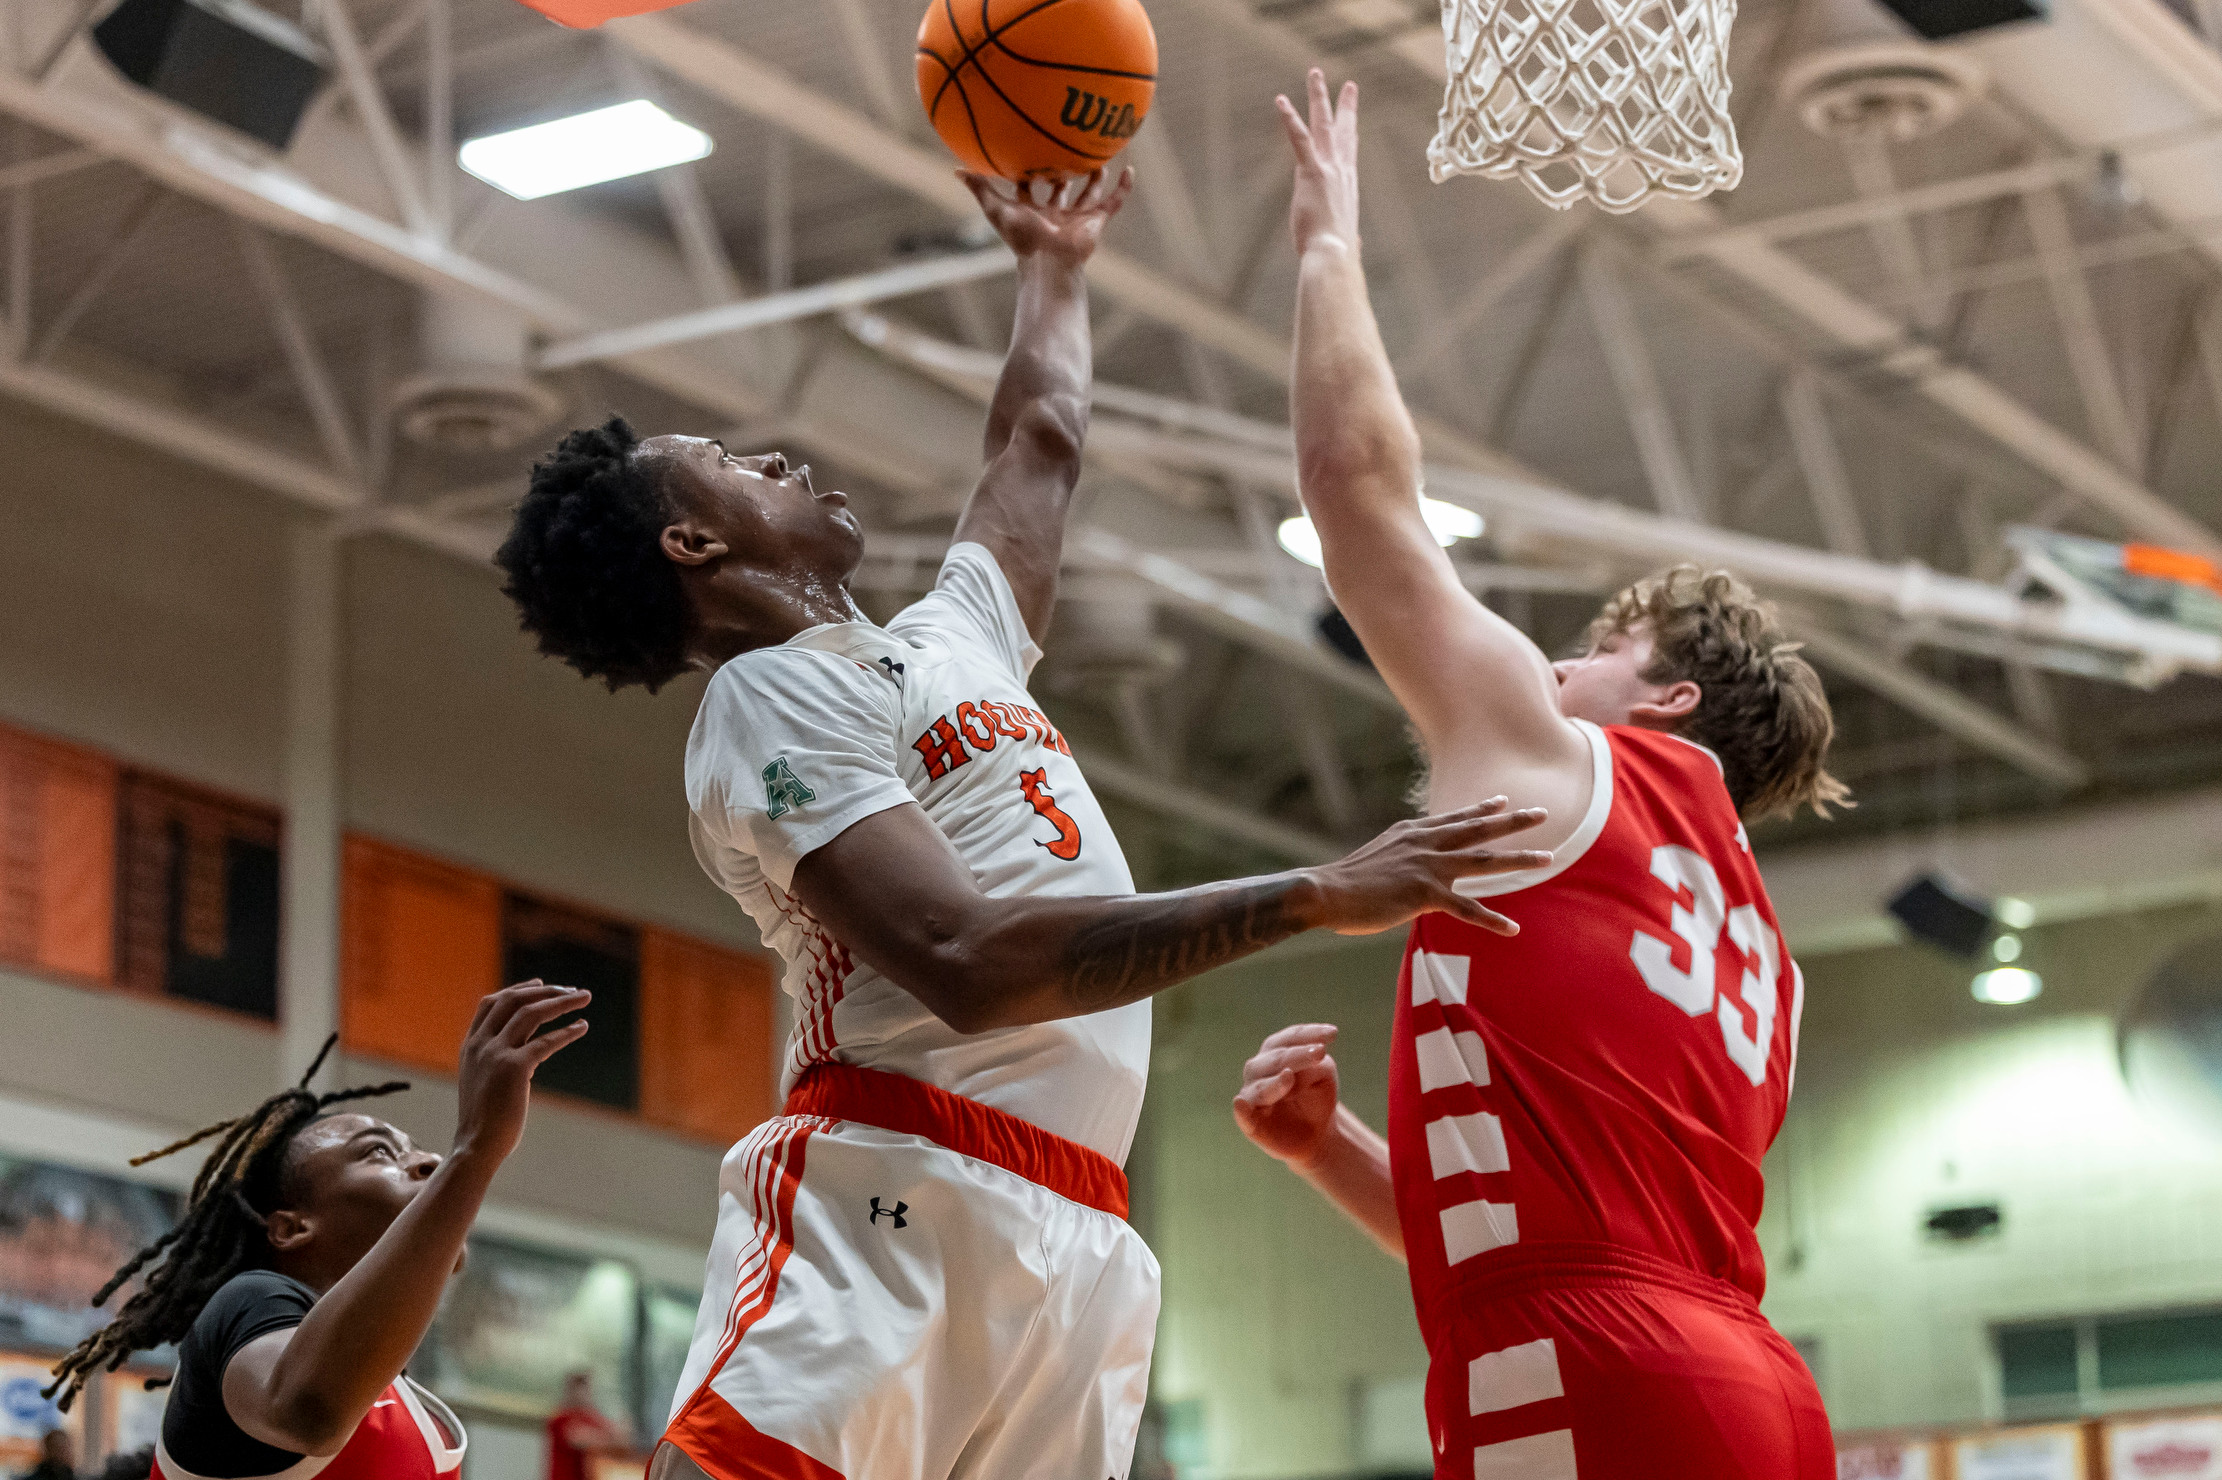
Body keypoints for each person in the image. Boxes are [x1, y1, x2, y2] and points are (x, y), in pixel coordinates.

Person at [495, 166, 1553, 1480]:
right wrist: (1309, 893)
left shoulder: (954, 638)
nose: (777, 460)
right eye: (729, 466)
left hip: (1084, 1220)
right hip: (901, 1169)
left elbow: (1037, 443)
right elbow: (965, 958)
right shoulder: (769, 695)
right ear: (692, 547)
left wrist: (1053, 267)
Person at [1230, 71, 1849, 1480]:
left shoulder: (1551, 763)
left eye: (1595, 650)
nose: (1555, 669)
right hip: (1748, 1378)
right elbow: (1537, 1234)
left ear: (1669, 700)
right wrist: (1327, 1151)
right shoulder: (1769, 966)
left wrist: (1326, 246)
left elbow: (1354, 486)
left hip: (1597, 1367)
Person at [44, 981, 589, 1480]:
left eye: (421, 1150)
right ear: (291, 1227)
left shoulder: (410, 1403)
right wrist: (474, 1150)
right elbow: (307, 1413)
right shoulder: (249, 1302)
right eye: (381, 1153)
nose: (429, 1162)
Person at [545, 1372, 627, 1480]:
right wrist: (611, 1439)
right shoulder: (561, 1418)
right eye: (581, 1388)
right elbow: (581, 1440)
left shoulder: (590, 1416)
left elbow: (618, 1435)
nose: (586, 1393)